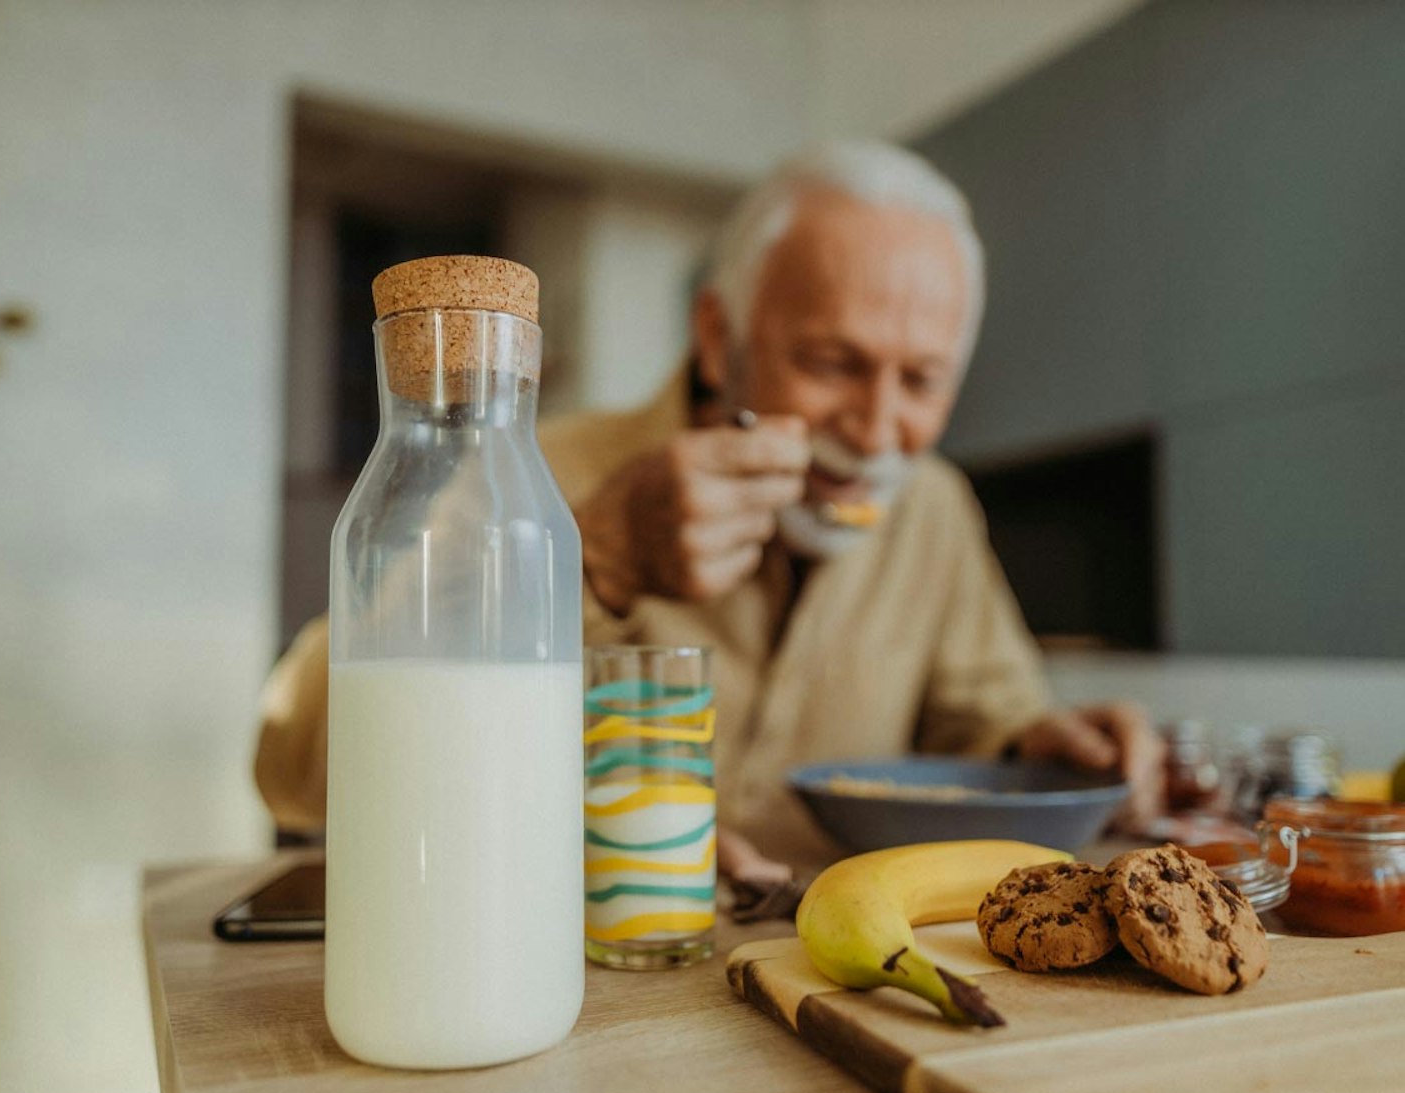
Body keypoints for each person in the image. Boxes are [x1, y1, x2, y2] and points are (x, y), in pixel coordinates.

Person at [255, 141, 1165, 876]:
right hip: (580, 983)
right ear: (718, 333)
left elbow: (986, 728)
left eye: (923, 380)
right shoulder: (531, 470)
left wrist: (1054, 748)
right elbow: (291, 762)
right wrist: (595, 554)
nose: (880, 429)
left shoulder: (933, 508)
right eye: (832, 363)